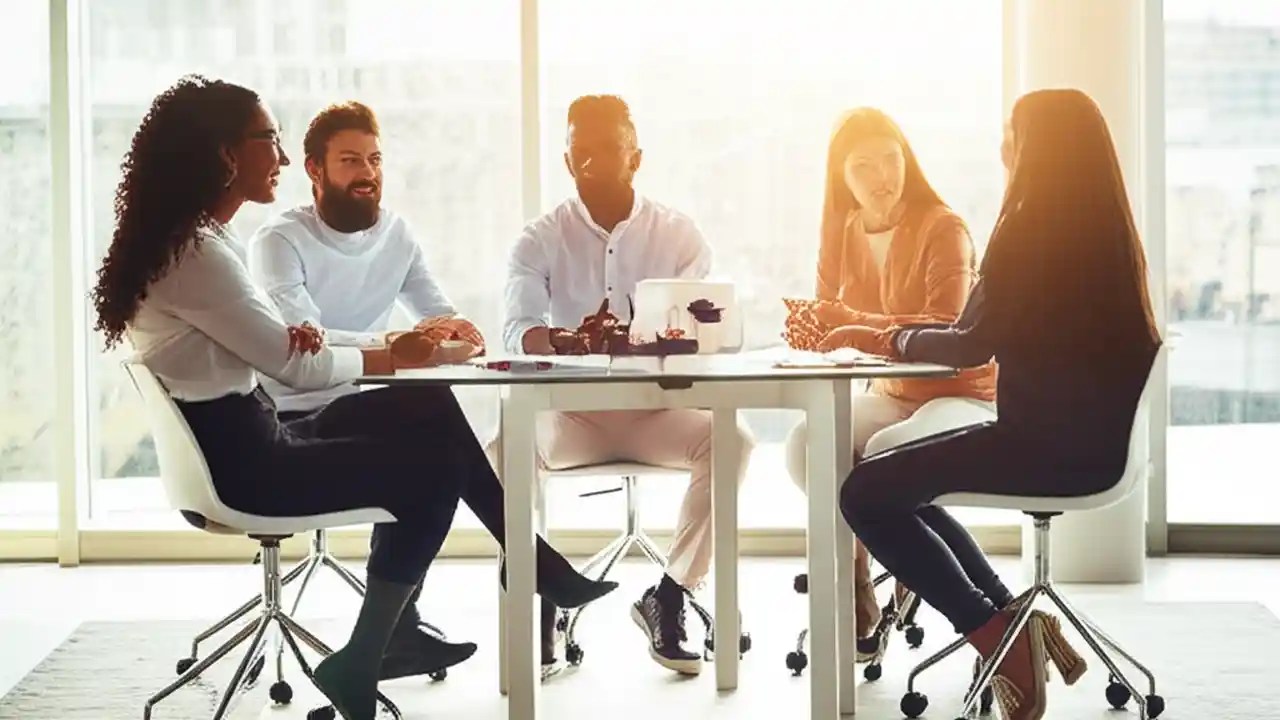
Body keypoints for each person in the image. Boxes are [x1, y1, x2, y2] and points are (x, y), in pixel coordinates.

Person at [91, 75, 616, 720]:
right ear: (224, 152)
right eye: (271, 141)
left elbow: (283, 344)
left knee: (426, 410)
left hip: (246, 435)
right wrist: (393, 351)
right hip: (248, 462)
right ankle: (368, 654)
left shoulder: (196, 244)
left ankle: (511, 574)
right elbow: (298, 368)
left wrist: (364, 346)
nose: (280, 158)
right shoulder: (202, 255)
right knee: (433, 473)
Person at [837, 89, 1161, 720]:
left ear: (1032, 148)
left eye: (1011, 135)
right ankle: (1013, 621)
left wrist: (887, 338)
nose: (1002, 148)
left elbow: (968, 345)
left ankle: (996, 641)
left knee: (863, 494)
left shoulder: (1027, 231)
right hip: (1102, 454)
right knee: (902, 486)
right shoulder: (1111, 237)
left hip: (1037, 448)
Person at [502, 94, 755, 675]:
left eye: (607, 150)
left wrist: (648, 337)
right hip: (572, 419)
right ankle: (543, 592)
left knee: (733, 441)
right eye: (579, 152)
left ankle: (670, 593)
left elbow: (707, 331)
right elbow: (517, 332)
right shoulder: (538, 239)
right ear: (566, 161)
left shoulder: (679, 234)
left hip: (657, 416)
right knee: (503, 450)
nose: (591, 163)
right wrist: (568, 340)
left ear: (635, 157)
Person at [246, 101, 484, 680]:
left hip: (361, 404)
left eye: (375, 159)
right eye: (350, 160)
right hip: (293, 414)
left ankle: (400, 630)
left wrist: (454, 328)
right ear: (314, 169)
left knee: (431, 426)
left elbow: (436, 311)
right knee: (431, 425)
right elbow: (309, 342)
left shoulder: (395, 234)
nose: (367, 172)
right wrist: (396, 339)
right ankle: (526, 563)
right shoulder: (279, 239)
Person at [782, 108, 998, 658]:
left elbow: (946, 327)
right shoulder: (843, 229)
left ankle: (943, 584)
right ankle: (859, 581)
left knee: (882, 453)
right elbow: (829, 315)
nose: (883, 175)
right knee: (810, 443)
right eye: (864, 165)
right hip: (891, 393)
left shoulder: (942, 226)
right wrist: (817, 326)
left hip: (959, 393)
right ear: (841, 176)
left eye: (892, 159)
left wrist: (852, 324)